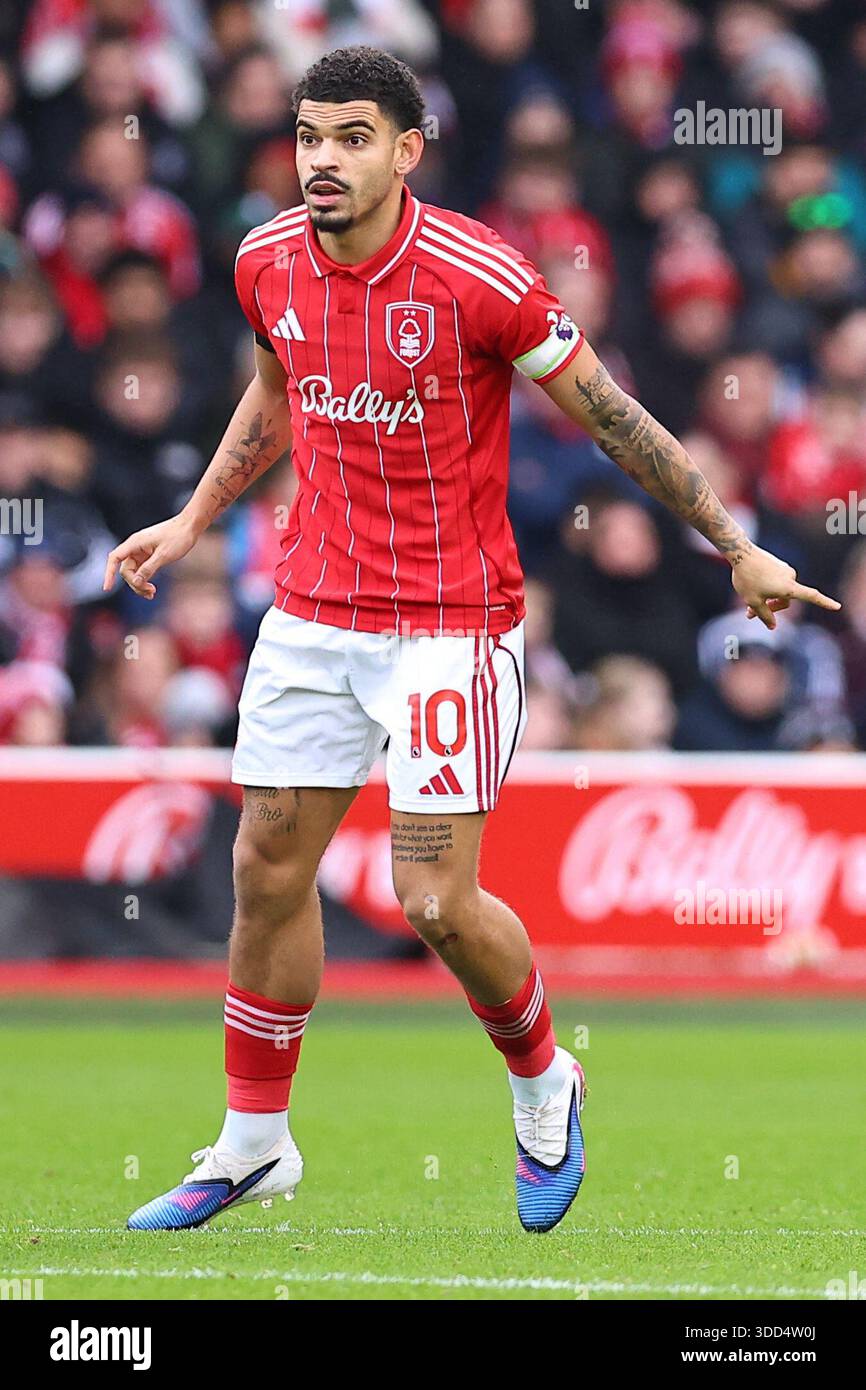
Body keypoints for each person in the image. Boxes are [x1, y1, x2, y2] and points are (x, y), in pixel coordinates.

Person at [104, 46, 839, 1237]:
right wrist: (195, 516)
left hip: (447, 631)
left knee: (434, 902)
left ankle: (546, 1076)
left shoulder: (477, 275)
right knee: (264, 872)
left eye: (350, 137)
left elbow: (608, 414)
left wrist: (730, 541)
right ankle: (252, 1146)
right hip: (310, 616)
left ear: (407, 150)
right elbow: (279, 385)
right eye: (306, 136)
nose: (321, 161)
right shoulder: (261, 260)